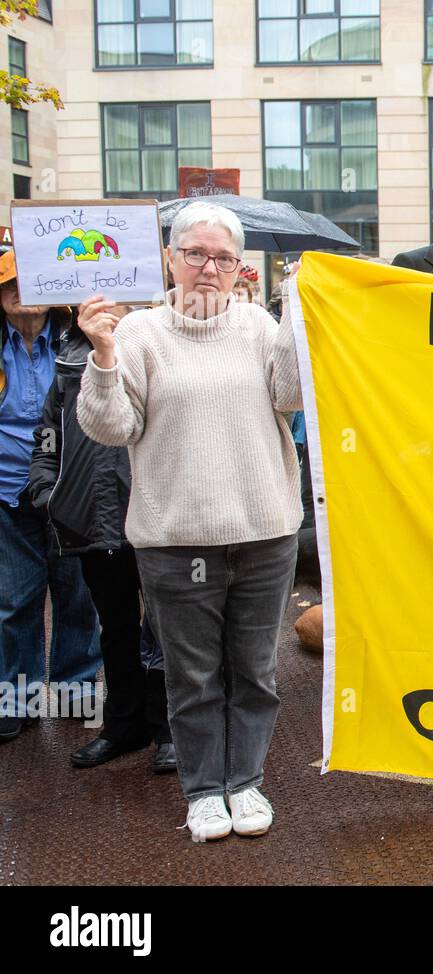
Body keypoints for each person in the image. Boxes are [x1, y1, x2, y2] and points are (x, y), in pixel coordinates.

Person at [77, 202, 303, 843]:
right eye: (196, 253)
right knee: (193, 676)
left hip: (264, 533)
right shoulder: (140, 334)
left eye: (224, 257)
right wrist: (102, 353)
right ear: (170, 257)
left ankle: (247, 781)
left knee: (256, 673)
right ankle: (205, 790)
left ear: (239, 266)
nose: (210, 267)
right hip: (176, 541)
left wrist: (293, 321)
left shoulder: (259, 326)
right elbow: (112, 427)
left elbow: (290, 397)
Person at [27, 294, 174, 772]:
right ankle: (124, 725)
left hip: (156, 515)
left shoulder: (161, 340)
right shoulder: (69, 353)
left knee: (167, 630)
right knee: (114, 628)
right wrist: (47, 492)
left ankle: (168, 729)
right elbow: (49, 431)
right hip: (91, 518)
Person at [0, 250, 101, 743]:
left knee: (76, 596)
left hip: (69, 491)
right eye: (7, 286)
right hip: (6, 493)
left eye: (27, 283)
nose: (19, 293)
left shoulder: (73, 339)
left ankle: (74, 691)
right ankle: (16, 699)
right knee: (14, 601)